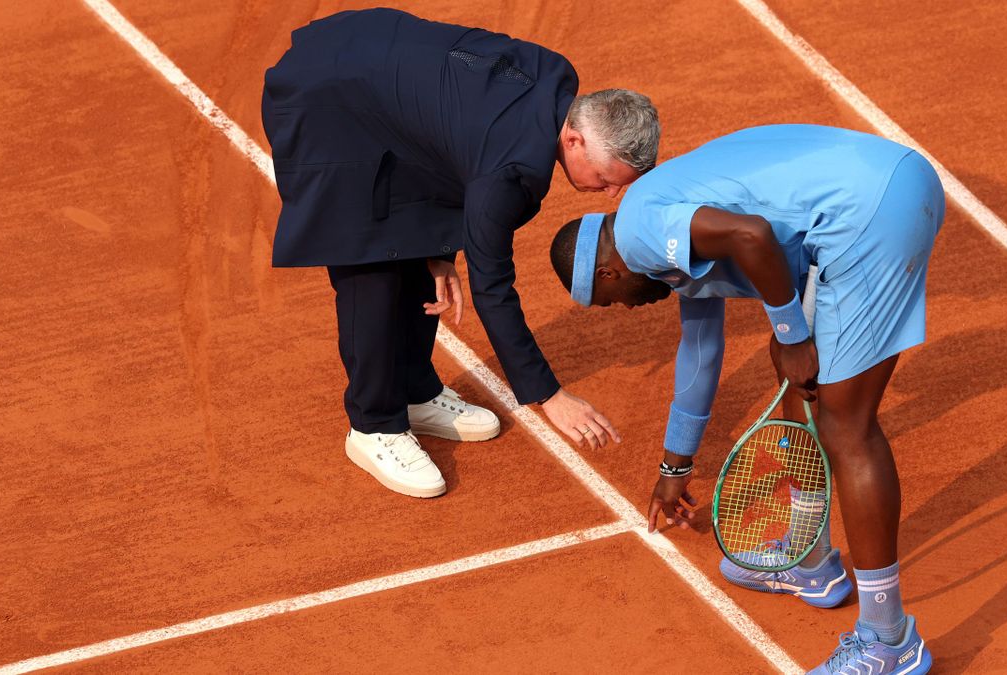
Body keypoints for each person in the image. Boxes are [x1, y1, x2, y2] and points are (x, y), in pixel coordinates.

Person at [549, 125, 943, 675]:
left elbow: (753, 236)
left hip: (867, 212)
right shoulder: (668, 235)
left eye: (611, 301)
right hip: (878, 190)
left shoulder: (640, 231)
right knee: (797, 397)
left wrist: (792, 336)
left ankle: (887, 639)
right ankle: (810, 561)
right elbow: (701, 353)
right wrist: (675, 465)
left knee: (845, 428)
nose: (627, 309)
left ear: (608, 272)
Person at [261, 9, 659, 498]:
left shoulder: (556, 80)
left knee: (421, 246)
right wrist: (550, 397)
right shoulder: (510, 172)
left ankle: (411, 390)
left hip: (373, 76)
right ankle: (374, 424)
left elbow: (454, 142)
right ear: (574, 138)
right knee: (372, 258)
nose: (608, 195)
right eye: (606, 180)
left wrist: (442, 247)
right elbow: (493, 289)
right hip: (326, 102)